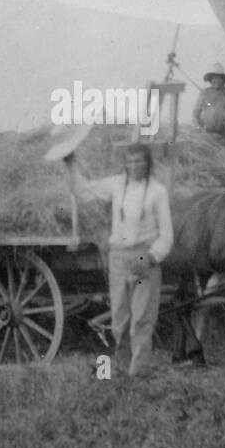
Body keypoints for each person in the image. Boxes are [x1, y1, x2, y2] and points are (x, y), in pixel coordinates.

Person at [65, 143, 173, 377]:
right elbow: (83, 192)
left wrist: (149, 258)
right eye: (130, 161)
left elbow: (166, 236)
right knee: (120, 320)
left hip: (144, 260)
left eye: (139, 161)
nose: (134, 166)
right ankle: (123, 369)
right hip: (118, 259)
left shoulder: (157, 191)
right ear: (125, 164)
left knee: (142, 320)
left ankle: (138, 373)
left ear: (148, 163)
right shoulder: (116, 185)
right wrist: (70, 163)